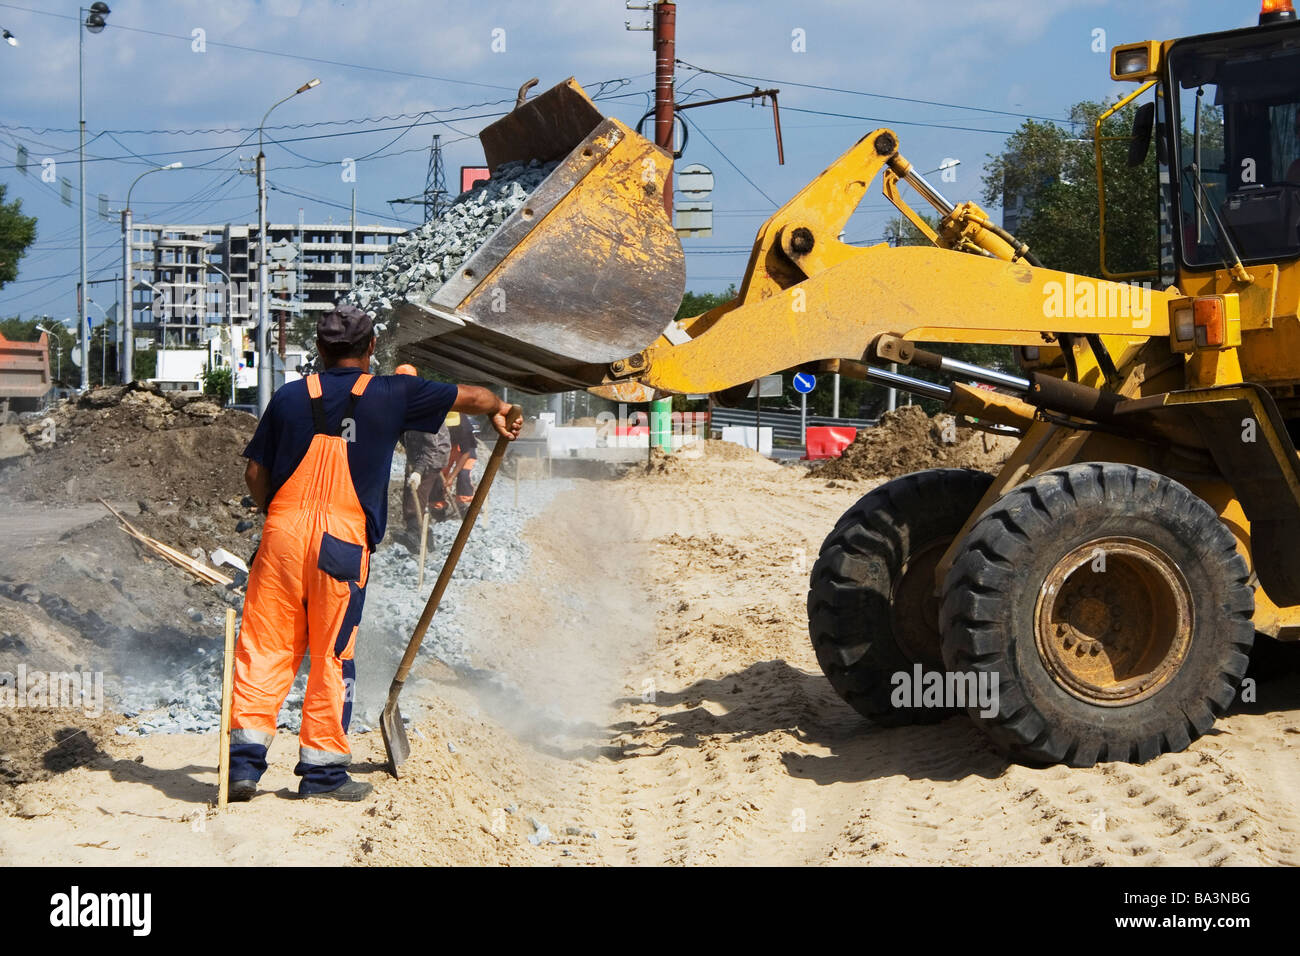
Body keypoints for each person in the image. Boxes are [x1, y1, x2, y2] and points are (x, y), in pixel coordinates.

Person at [229, 303, 520, 802]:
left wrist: (278, 515)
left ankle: (243, 767)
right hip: (342, 541)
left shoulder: (289, 397)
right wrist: (497, 408)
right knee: (331, 653)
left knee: (265, 646)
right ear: (370, 350)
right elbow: (473, 396)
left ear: (319, 351)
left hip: (281, 533)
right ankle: (322, 775)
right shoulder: (394, 392)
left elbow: (255, 474)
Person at [394, 364, 451, 541]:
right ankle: (421, 537)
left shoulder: (423, 407)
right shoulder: (407, 403)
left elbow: (431, 446)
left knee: (415, 496)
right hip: (418, 454)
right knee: (410, 494)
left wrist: (418, 471)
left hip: (432, 456)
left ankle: (416, 538)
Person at [443, 409, 480, 507]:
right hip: (449, 445)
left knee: (463, 473)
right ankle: (438, 506)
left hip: (466, 448)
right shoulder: (437, 422)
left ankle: (464, 503)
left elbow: (465, 454)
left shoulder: (464, 428)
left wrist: (451, 477)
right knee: (441, 475)